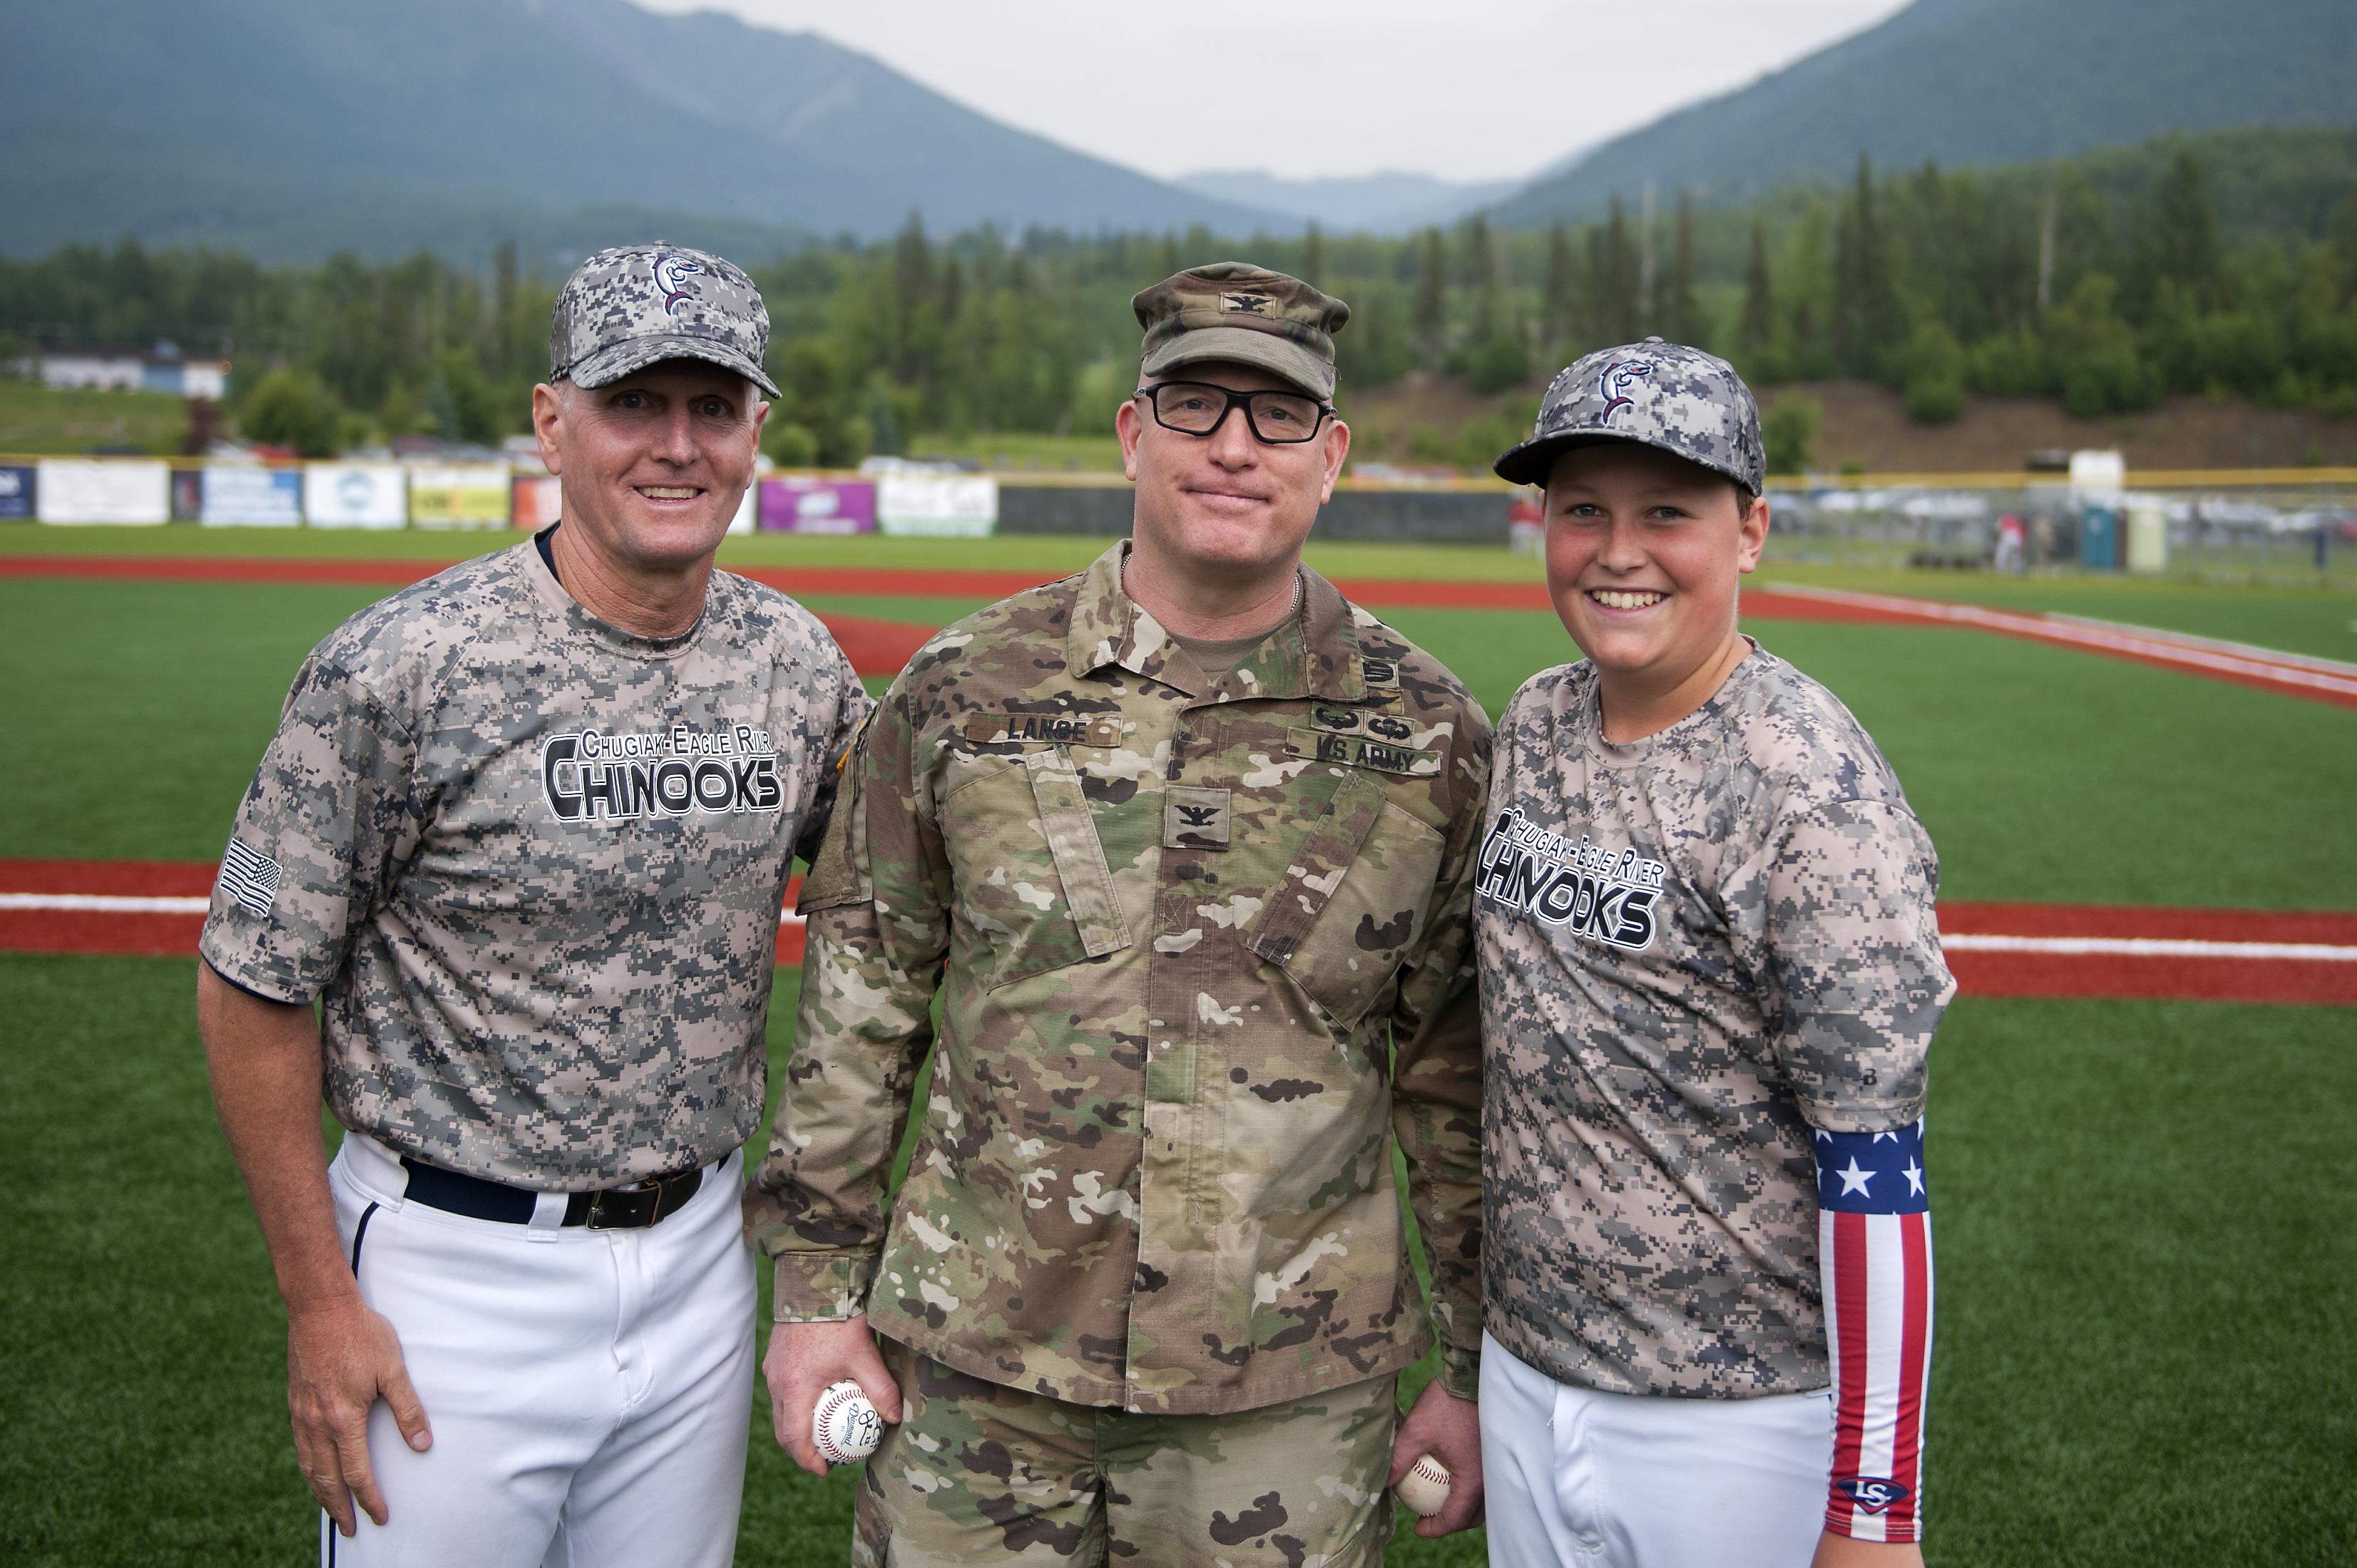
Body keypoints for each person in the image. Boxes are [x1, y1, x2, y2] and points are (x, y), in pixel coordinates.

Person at [746, 262, 1490, 1566]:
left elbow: (1456, 1076)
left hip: (1281, 1400)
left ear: (1334, 456)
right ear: (1132, 433)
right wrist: (815, 1297)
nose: (1233, 449)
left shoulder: (1423, 735)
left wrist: (1475, 1365)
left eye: (1276, 417)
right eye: (1195, 406)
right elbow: (862, 1012)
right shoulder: (962, 692)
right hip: (979, 1369)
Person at [195, 242, 869, 1567]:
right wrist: (318, 1301)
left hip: (696, 1261)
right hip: (453, 1271)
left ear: (755, 435)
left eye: (712, 408)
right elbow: (252, 980)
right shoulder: (401, 667)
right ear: (553, 420)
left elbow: (912, 886)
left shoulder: (791, 660)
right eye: (633, 404)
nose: (676, 447)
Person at [1474, 339, 1955, 1568]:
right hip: (1527, 1373)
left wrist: (1873, 1510)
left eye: (1666, 513)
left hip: (1735, 1422)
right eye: (1582, 508)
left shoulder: (1808, 789)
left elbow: (1877, 1170)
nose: (1617, 551)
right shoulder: (1533, 723)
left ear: (1749, 531)